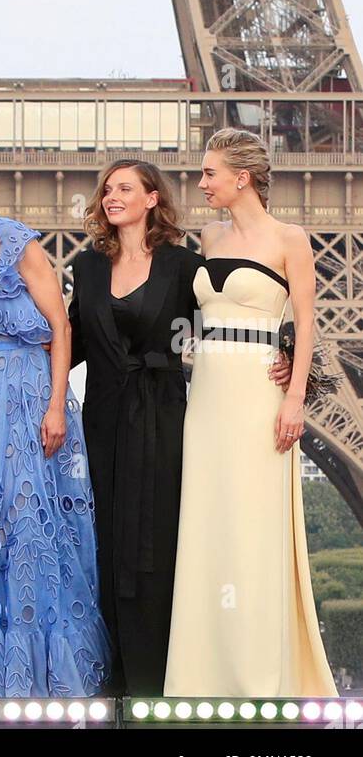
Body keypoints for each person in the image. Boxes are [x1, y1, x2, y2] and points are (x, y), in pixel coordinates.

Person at [68, 160, 292, 697]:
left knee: (159, 540)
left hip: (163, 416)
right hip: (103, 418)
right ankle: (115, 676)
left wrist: (285, 352)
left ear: (152, 198)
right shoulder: (90, 266)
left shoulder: (185, 265)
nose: (111, 196)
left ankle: (159, 677)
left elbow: (233, 311)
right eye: (106, 190)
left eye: (125, 187)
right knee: (108, 540)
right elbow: (71, 339)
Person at [164, 128, 337, 697]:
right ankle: (202, 677)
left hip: (260, 395)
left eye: (209, 173)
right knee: (208, 526)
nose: (200, 182)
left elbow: (307, 322)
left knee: (254, 528)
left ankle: (260, 676)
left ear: (241, 177)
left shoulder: (291, 238)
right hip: (208, 395)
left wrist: (295, 394)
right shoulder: (207, 236)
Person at [0, 151, 110, 697]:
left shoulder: (23, 246)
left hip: (30, 394)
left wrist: (57, 405)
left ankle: (41, 672)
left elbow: (61, 326)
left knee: (30, 520)